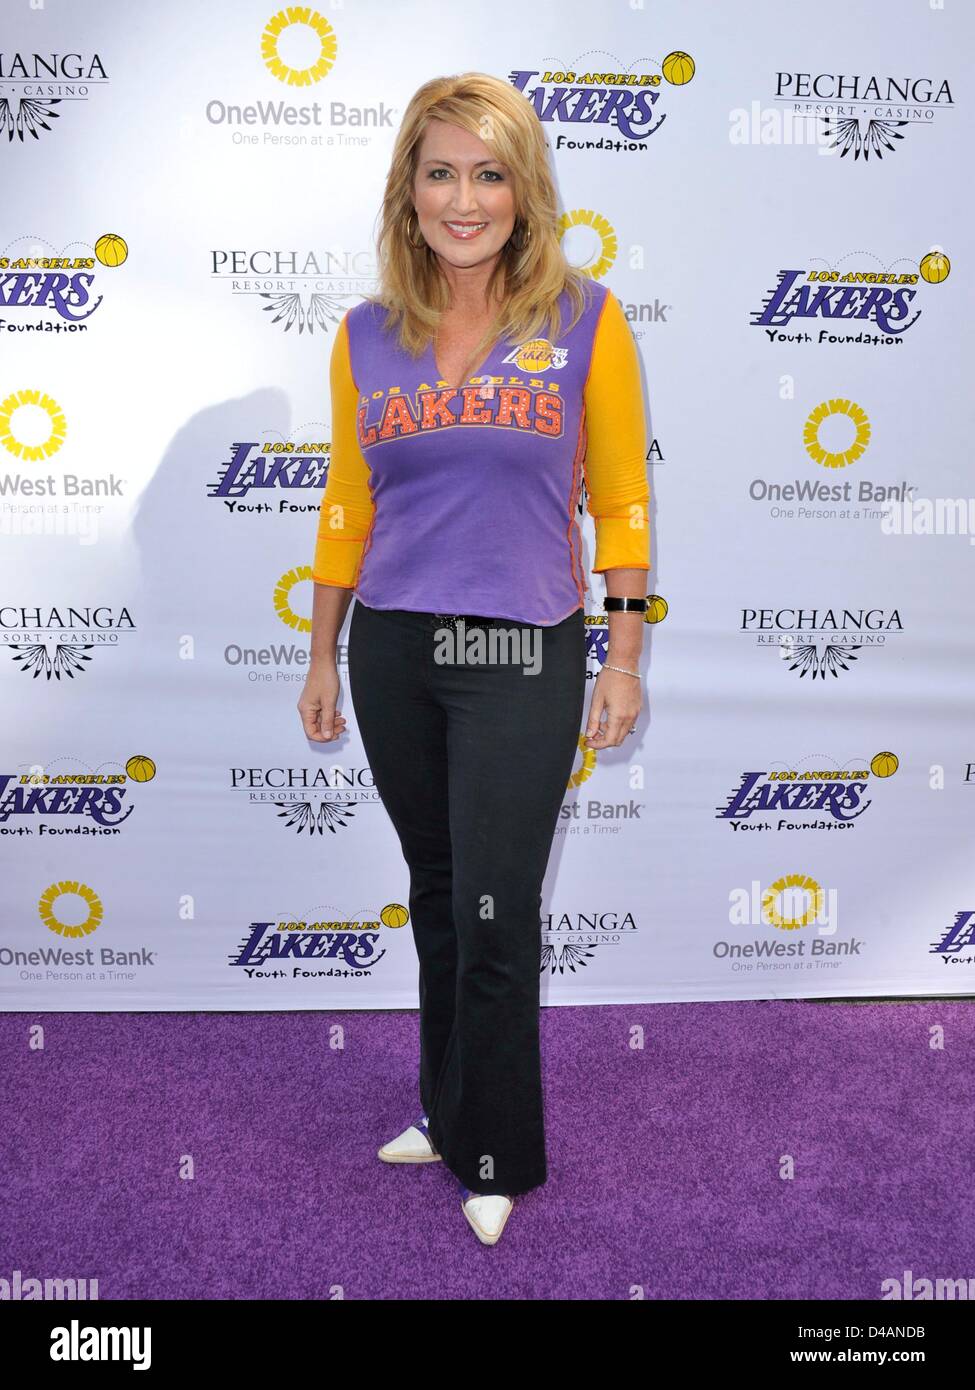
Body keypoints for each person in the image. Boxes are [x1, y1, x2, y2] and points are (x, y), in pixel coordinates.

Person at [297, 72, 651, 1247]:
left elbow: (623, 502)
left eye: (489, 173)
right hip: (394, 649)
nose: (465, 197)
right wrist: (321, 653)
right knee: (443, 896)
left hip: (522, 651)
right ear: (409, 190)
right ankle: (448, 1112)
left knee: (498, 909)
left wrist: (623, 656)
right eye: (440, 171)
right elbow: (349, 506)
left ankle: (497, 1147)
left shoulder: (586, 320)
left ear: (524, 190)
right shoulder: (363, 336)